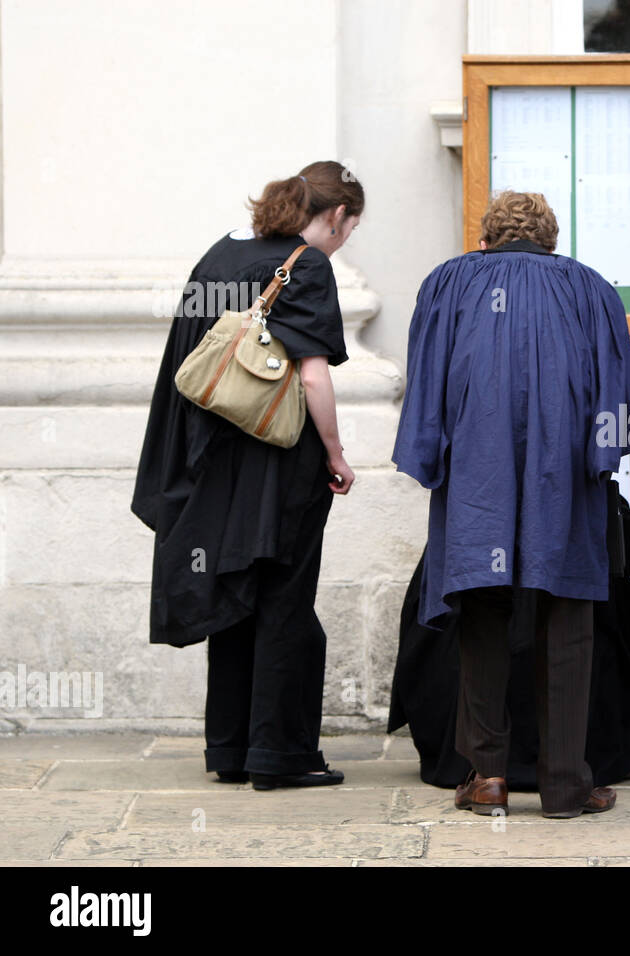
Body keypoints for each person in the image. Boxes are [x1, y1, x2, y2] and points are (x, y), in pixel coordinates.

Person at [393, 190, 630, 818]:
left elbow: (424, 377)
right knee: (568, 622)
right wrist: (604, 459)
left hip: (479, 478)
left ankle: (490, 777)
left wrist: (426, 455)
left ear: (487, 238)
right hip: (565, 478)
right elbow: (616, 393)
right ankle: (564, 784)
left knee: (480, 618)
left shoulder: (449, 283)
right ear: (551, 240)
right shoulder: (590, 289)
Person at [131, 160, 362, 790]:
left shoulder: (218, 254)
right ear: (336, 215)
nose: (343, 243)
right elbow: (313, 375)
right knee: (285, 602)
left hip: (213, 462)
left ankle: (230, 750)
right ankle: (279, 756)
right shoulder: (307, 264)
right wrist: (337, 454)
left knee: (231, 597)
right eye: (349, 229)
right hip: (279, 463)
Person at [387, 489, 630, 788]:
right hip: (553, 497)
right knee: (566, 610)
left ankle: (487, 774)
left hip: (486, 498)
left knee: (480, 605)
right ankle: (565, 777)